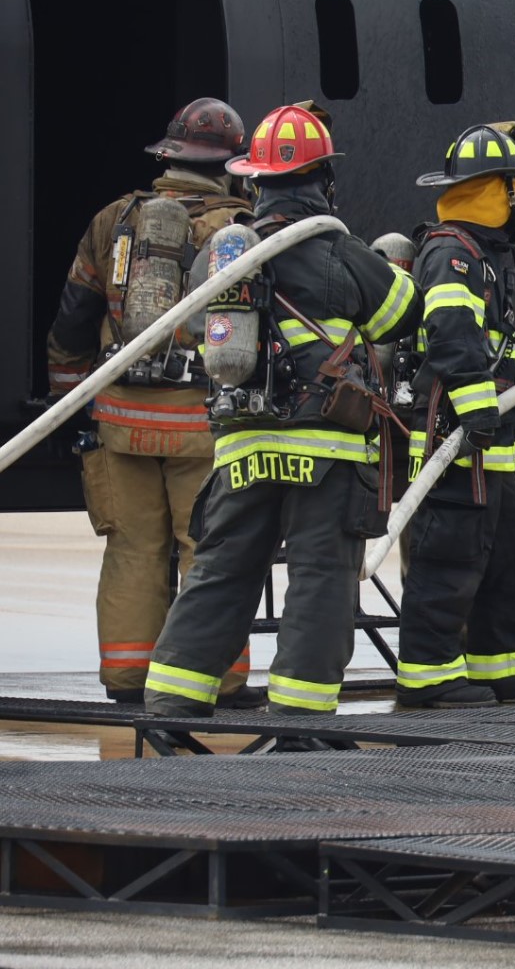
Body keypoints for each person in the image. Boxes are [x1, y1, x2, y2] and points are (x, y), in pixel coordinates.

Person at [143, 101, 421, 718]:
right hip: (325, 451)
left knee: (222, 571)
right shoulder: (336, 253)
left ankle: (171, 700)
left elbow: (191, 326)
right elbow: (403, 313)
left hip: (241, 444)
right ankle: (301, 715)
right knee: (321, 578)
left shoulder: (224, 256)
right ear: (324, 181)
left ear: (255, 181)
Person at [45, 98, 261, 706]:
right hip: (204, 425)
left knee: (133, 548)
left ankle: (128, 675)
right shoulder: (242, 230)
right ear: (229, 166)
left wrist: (71, 401)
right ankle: (215, 677)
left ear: (166, 158)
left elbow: (74, 317)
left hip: (118, 419)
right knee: (208, 550)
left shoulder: (113, 220)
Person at [395, 122, 515, 708]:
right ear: (505, 192)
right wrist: (476, 408)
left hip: (492, 443)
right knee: (450, 559)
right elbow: (448, 337)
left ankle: (504, 668)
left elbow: (494, 347)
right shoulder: (453, 253)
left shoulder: (485, 256)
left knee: (510, 561)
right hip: (459, 438)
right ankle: (428, 677)